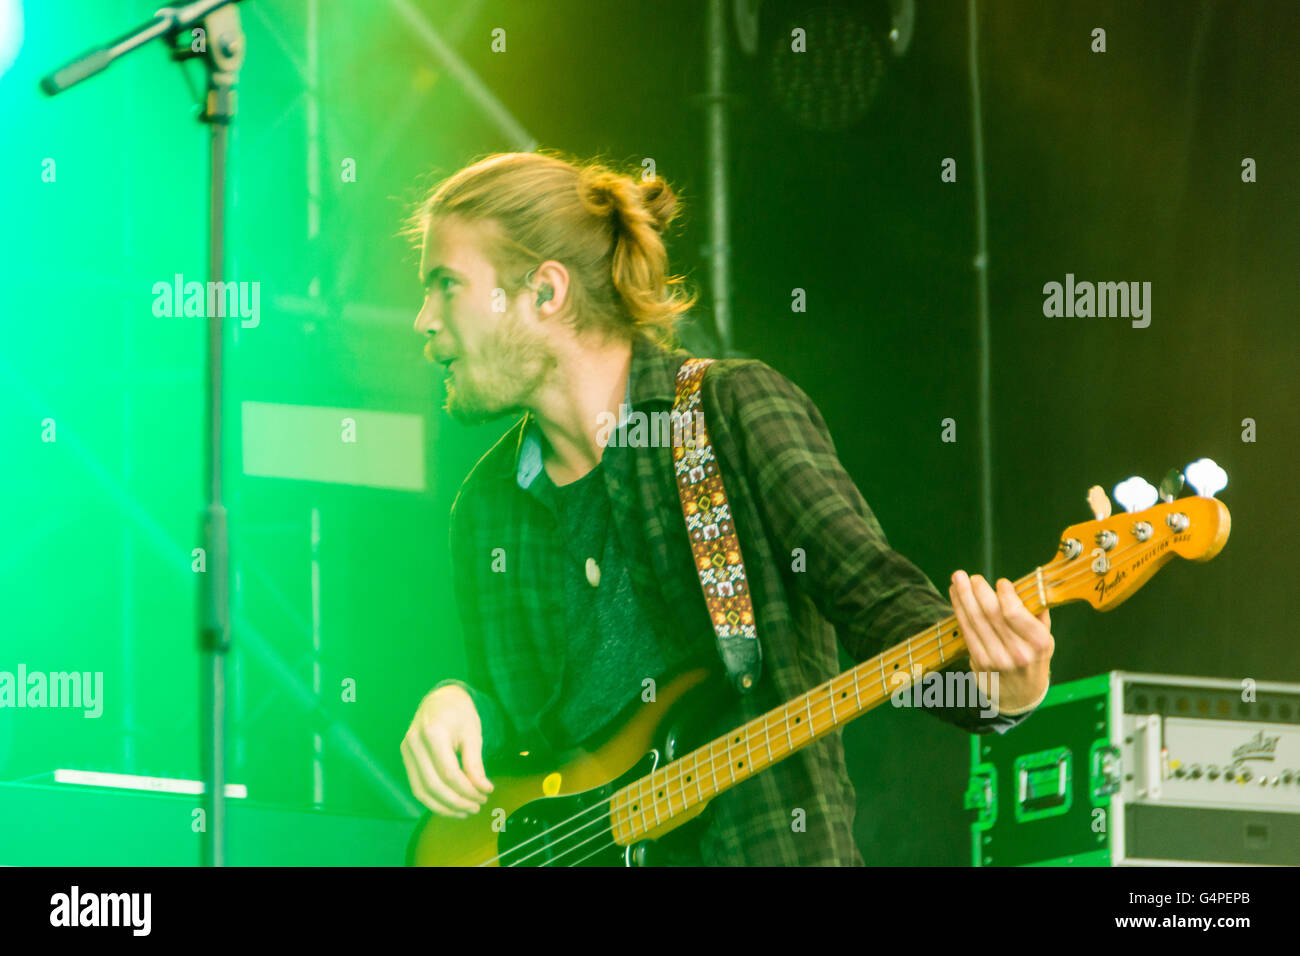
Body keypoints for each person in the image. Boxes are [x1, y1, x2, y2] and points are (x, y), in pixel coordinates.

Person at [399, 151, 1053, 865]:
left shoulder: (726, 412)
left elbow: (877, 597)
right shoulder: (486, 508)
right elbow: (525, 732)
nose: (421, 320)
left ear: (545, 293)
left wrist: (1001, 691)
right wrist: (462, 702)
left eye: (446, 284)